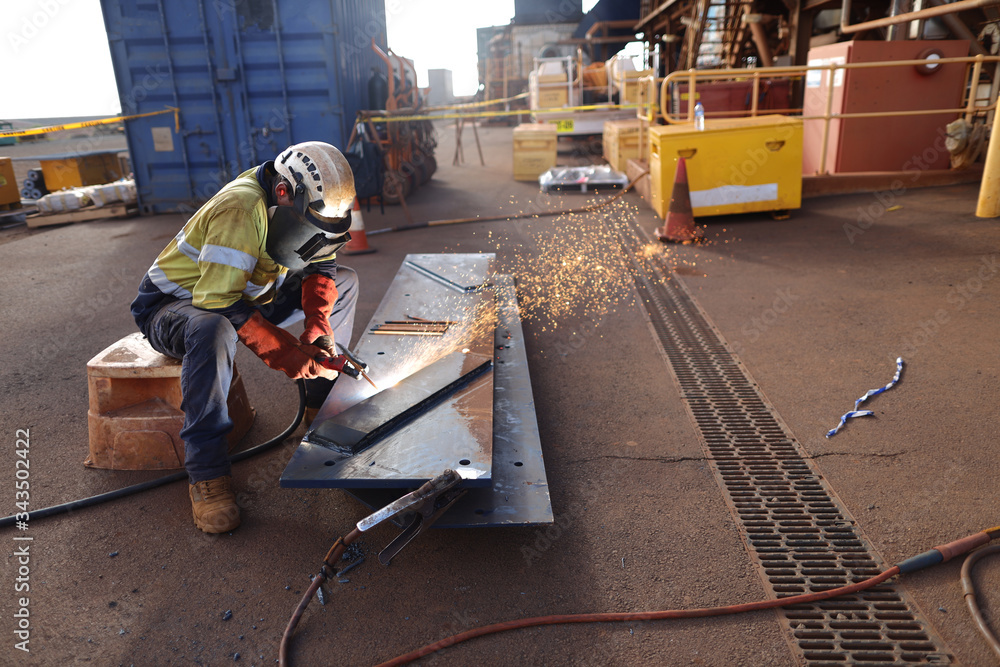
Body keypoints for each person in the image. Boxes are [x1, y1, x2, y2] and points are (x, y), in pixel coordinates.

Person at [130, 141, 359, 534]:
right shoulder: (240, 209)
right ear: (284, 193)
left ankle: (316, 410)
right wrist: (288, 354)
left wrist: (318, 328)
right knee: (212, 329)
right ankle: (207, 475)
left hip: (248, 292)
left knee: (347, 283)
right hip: (176, 307)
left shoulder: (298, 200)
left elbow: (322, 265)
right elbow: (218, 303)